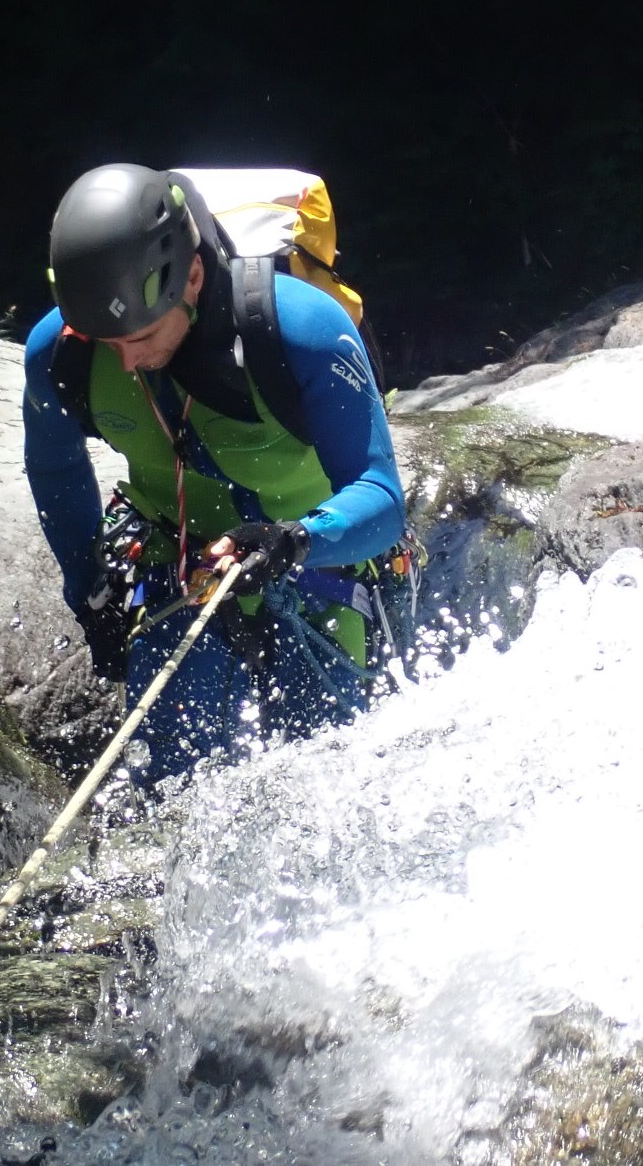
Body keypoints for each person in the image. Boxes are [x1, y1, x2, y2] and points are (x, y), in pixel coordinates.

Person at [22, 163, 408, 781]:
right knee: (174, 787)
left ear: (194, 276)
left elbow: (383, 500)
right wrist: (88, 591)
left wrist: (294, 540)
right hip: (175, 569)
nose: (124, 363)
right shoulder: (61, 353)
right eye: (106, 340)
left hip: (316, 566)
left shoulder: (302, 329)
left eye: (142, 334)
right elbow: (54, 462)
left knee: (330, 780)